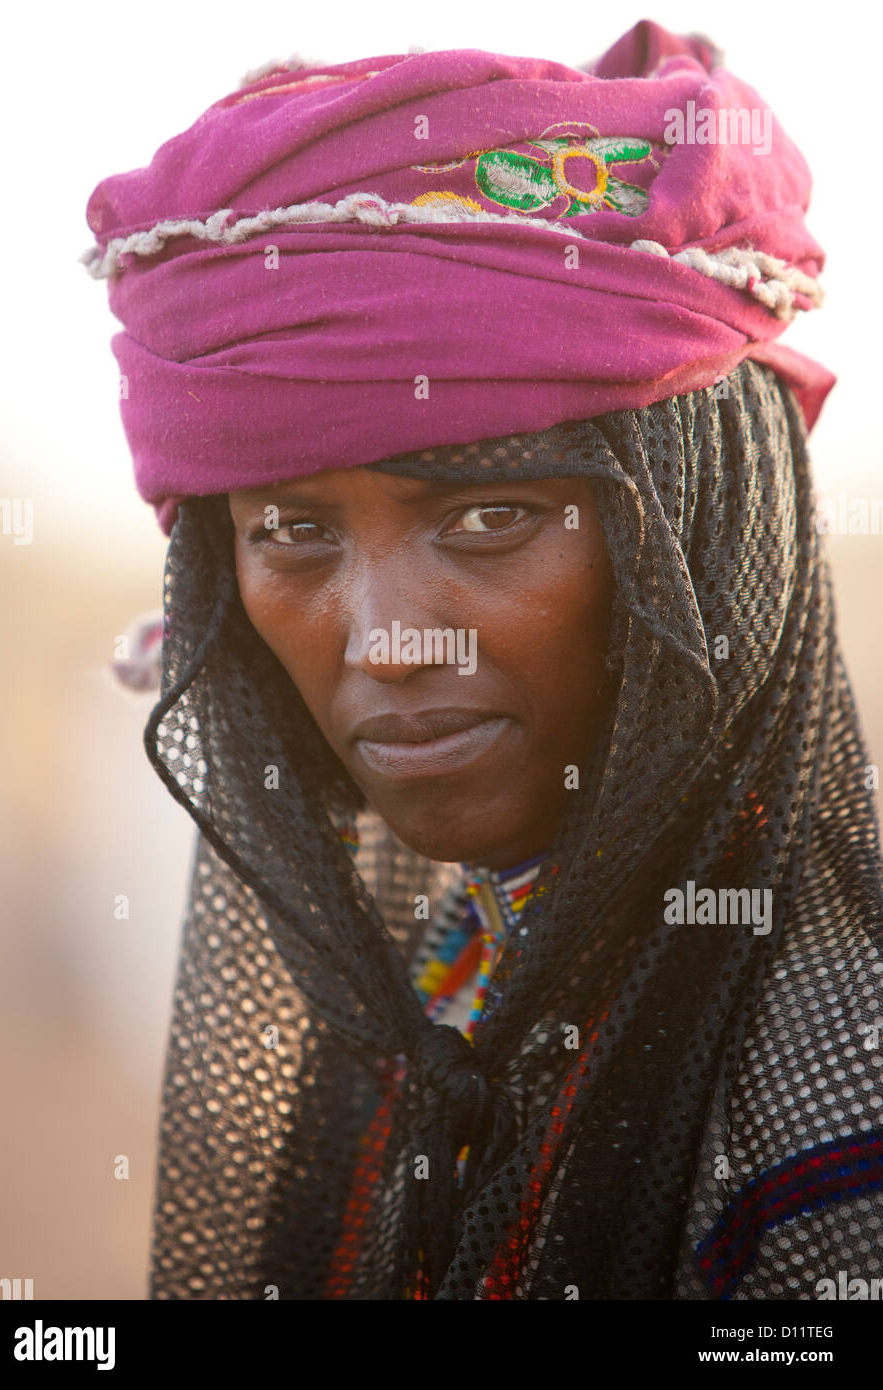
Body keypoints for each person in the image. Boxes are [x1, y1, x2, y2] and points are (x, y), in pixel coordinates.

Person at [84, 21, 883, 1299]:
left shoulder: (828, 1100)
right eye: (291, 531)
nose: (390, 640)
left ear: (695, 527)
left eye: (491, 517)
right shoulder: (452, 991)